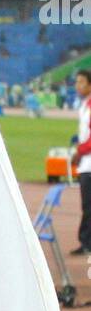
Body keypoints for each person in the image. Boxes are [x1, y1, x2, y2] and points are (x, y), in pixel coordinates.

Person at [69, 69, 91, 256]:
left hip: (89, 163)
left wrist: (79, 152)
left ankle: (87, 242)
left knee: (88, 205)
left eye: (81, 82)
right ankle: (85, 241)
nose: (77, 85)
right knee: (87, 205)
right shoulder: (84, 105)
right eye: (76, 82)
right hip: (86, 163)